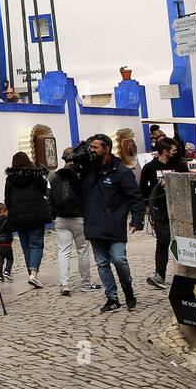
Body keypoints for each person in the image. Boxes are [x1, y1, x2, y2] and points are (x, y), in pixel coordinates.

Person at [58, 134, 145, 314]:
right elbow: (79, 192)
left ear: (106, 149)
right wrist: (71, 175)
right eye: (91, 147)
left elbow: (135, 197)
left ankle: (128, 290)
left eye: (95, 147)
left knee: (119, 259)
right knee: (102, 263)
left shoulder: (121, 172)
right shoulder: (88, 170)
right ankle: (112, 298)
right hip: (94, 224)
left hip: (114, 224)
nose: (91, 150)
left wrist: (137, 219)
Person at [49, 155, 98, 296]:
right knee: (82, 250)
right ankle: (85, 283)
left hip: (61, 218)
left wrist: (53, 215)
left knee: (63, 251)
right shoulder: (79, 176)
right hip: (79, 217)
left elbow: (50, 196)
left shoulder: (55, 177)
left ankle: (64, 283)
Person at [143, 138, 186, 290]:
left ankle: (186, 274)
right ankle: (159, 275)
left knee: (182, 241)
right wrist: (147, 207)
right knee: (162, 241)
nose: (176, 152)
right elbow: (143, 190)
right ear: (164, 151)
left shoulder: (180, 165)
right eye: (173, 150)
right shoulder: (149, 168)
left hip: (180, 208)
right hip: (159, 210)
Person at [4, 151, 51, 289]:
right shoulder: (35, 174)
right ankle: (34, 274)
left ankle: (31, 273)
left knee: (25, 245)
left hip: (18, 217)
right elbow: (45, 191)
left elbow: (7, 199)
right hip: (36, 215)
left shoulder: (10, 178)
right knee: (36, 244)